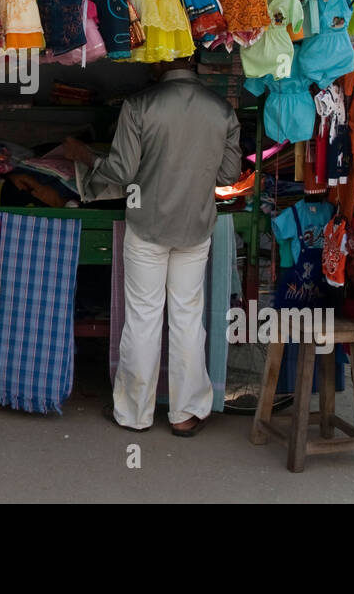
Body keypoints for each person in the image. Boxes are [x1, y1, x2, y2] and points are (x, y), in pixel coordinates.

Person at [64, 56, 242, 435]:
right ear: (193, 59)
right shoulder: (222, 111)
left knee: (144, 318)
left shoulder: (139, 105)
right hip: (195, 227)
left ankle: (134, 413)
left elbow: (122, 171)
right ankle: (185, 414)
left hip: (146, 225)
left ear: (162, 61)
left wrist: (87, 162)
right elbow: (228, 174)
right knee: (187, 317)